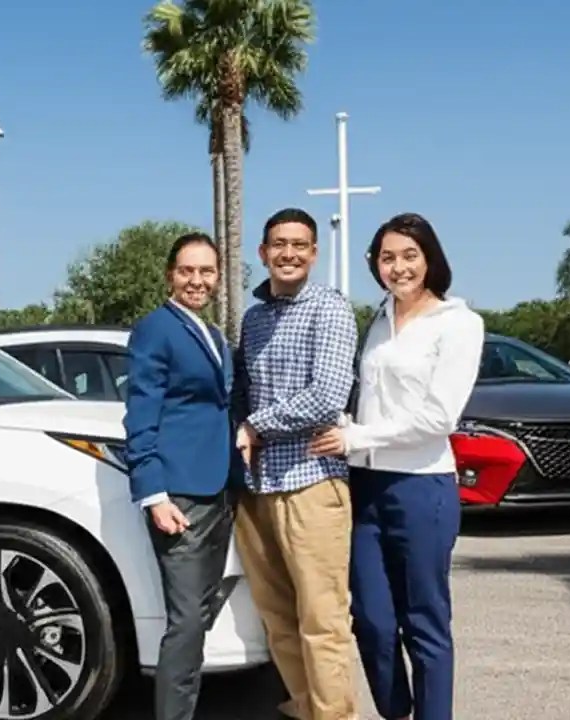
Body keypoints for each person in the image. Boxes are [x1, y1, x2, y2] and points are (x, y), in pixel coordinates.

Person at [308, 212, 482, 720]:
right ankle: (395, 709)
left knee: (424, 621)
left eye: (410, 256)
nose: (399, 267)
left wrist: (355, 437)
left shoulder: (458, 323)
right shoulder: (379, 320)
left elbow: (439, 417)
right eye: (388, 258)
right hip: (366, 485)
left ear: (430, 260)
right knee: (371, 619)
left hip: (422, 488)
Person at [230, 208, 359, 720]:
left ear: (314, 253)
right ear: (263, 253)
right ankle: (307, 708)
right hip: (258, 487)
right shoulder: (254, 318)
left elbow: (327, 396)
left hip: (312, 483)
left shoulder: (329, 308)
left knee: (323, 619)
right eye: (279, 245)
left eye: (299, 245)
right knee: (278, 618)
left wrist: (256, 426)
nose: (289, 254)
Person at [122, 232, 245, 720]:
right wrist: (153, 493)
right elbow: (141, 413)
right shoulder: (156, 329)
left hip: (218, 489)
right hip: (180, 496)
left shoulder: (211, 333)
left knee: (200, 615)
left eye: (206, 271)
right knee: (187, 620)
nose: (197, 280)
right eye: (187, 271)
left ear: (218, 277)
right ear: (170, 275)